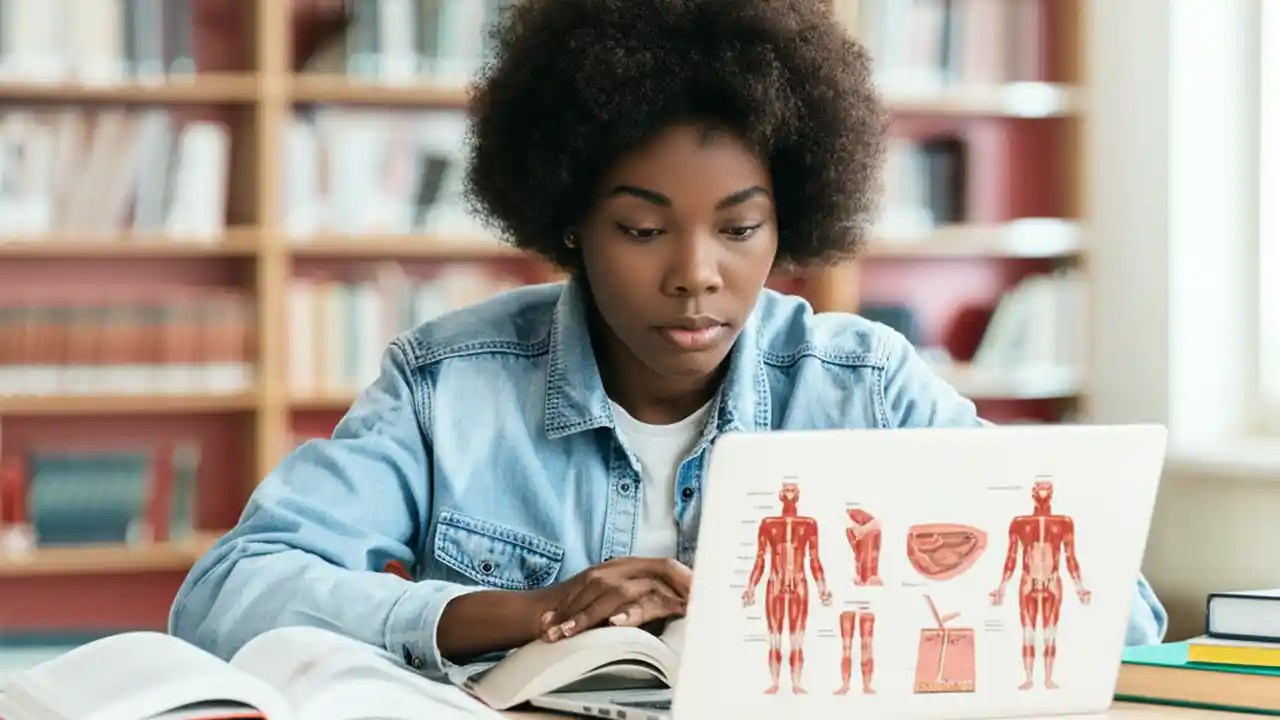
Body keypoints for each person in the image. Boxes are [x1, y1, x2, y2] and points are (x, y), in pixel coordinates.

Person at [169, 0, 1167, 684]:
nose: (695, 273)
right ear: (566, 218)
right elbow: (226, 594)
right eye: (642, 231)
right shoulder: (448, 384)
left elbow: (1117, 619)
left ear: (789, 222)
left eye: (738, 230)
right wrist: (522, 614)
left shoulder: (863, 387)